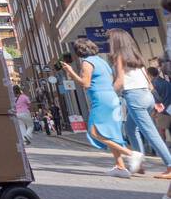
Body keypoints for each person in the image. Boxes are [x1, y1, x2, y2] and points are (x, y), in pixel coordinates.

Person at [61, 38, 137, 177]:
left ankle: (131, 154)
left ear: (79, 50)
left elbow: (85, 83)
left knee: (94, 132)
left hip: (100, 99)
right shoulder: (101, 61)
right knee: (112, 133)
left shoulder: (87, 63)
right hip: (112, 97)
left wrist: (71, 72)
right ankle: (120, 167)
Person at [108, 30, 171, 178]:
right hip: (146, 96)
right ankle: (139, 165)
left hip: (134, 96)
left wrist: (107, 94)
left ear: (116, 41)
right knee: (130, 128)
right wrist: (155, 102)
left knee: (151, 133)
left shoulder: (119, 56)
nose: (108, 42)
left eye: (110, 39)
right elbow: (149, 82)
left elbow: (120, 81)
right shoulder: (136, 57)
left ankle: (169, 165)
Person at [152, 64, 171, 144]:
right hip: (169, 108)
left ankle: (164, 148)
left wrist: (155, 112)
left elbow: (156, 99)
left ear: (149, 74)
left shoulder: (153, 84)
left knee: (161, 131)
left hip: (162, 110)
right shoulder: (166, 82)